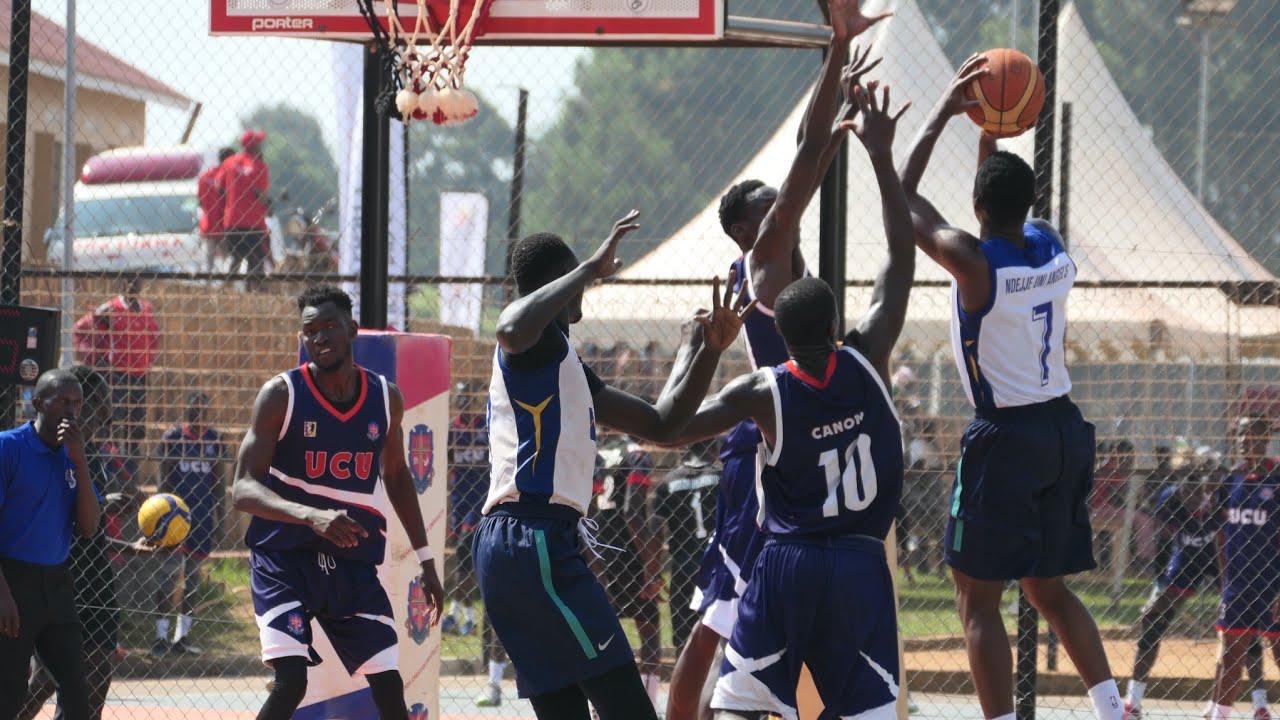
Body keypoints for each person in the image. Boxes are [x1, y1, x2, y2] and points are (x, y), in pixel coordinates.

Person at [661, 82, 914, 719]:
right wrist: (837, 75)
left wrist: (837, 123)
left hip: (790, 446)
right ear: (747, 230)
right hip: (772, 450)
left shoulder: (786, 270)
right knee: (720, 616)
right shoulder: (766, 265)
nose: (785, 206)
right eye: (771, 206)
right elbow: (808, 168)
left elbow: (806, 163)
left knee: (736, 630)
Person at [900, 53, 1122, 720]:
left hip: (1007, 437)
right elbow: (999, 210)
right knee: (1047, 589)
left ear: (977, 209)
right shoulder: (1051, 245)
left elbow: (902, 197)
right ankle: (1113, 709)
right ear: (1027, 205)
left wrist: (945, 112)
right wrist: (989, 133)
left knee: (975, 597)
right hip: (1064, 430)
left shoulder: (972, 265)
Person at [474, 209, 752, 720]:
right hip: (532, 537)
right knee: (628, 708)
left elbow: (664, 425)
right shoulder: (529, 345)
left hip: (527, 542)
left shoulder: (562, 364)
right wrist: (588, 269)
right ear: (562, 281)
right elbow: (511, 327)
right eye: (576, 278)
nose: (586, 287)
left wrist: (703, 349)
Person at [231, 285, 446, 720]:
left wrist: (426, 560)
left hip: (350, 560)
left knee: (389, 687)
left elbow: (398, 476)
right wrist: (310, 515)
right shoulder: (281, 395)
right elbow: (243, 488)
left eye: (329, 327)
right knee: (291, 682)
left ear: (352, 329)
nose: (320, 338)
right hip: (284, 555)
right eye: (310, 331)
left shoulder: (385, 398)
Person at [17, 365, 159, 720]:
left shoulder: (89, 452)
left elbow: (90, 530)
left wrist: (128, 547)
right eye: (99, 405)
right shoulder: (44, 450)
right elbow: (57, 518)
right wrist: (105, 504)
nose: (106, 415)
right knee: (46, 681)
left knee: (92, 680)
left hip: (97, 582)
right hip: (61, 578)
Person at [1124, 468, 1268, 720]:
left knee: (1245, 627)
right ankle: (1132, 702)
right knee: (1153, 617)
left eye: (1199, 494)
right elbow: (1162, 542)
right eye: (1187, 494)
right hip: (1186, 560)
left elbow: (1238, 535)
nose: (1193, 500)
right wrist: (1159, 586)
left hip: (1221, 558)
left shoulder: (1222, 498)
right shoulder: (1170, 500)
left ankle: (1260, 705)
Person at [0, 369, 101, 720]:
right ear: (39, 403)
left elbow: (88, 527)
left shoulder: (73, 455)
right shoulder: (9, 447)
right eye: (63, 402)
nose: (72, 411)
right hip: (12, 582)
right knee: (8, 692)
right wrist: (2, 594)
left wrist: (80, 461)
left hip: (57, 585)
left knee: (76, 694)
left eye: (78, 403)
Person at [1207, 416, 1279, 720]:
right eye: (1239, 434)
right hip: (1238, 586)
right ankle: (1218, 715)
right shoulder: (1231, 480)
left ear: (1266, 438)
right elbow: (1221, 536)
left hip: (1272, 584)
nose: (1242, 439)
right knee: (1230, 656)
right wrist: (1225, 583)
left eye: (1250, 433)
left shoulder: (1276, 479)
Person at [592, 432, 664, 704]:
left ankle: (600, 705)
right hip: (629, 554)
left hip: (599, 551)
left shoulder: (598, 453)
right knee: (649, 634)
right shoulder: (638, 455)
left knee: (601, 637)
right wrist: (650, 566)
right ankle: (648, 705)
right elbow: (632, 512)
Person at [153, 391, 226, 657]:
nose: (198, 414)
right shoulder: (173, 438)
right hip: (175, 518)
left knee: (192, 581)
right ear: (186, 410)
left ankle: (181, 638)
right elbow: (163, 481)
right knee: (168, 577)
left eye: (203, 410)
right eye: (194, 409)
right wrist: (161, 517)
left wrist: (221, 520)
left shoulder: (215, 440)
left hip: (203, 517)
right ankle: (160, 637)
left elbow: (219, 484)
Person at [72, 277, 161, 460]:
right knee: (115, 419)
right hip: (117, 374)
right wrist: (94, 356)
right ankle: (111, 461)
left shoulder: (146, 308)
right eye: (130, 281)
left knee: (136, 424)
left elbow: (154, 337)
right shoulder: (110, 308)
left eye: (137, 281)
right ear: (122, 284)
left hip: (139, 375)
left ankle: (132, 463)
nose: (134, 285)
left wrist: (148, 363)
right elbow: (79, 329)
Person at [655, 438, 720, 648]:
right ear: (714, 448)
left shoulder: (668, 481)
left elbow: (656, 529)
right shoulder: (721, 477)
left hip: (683, 566)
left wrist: (653, 569)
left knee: (684, 638)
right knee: (719, 632)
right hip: (716, 565)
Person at [222, 129, 272, 292]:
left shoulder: (229, 163)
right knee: (255, 262)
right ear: (255, 146)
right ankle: (251, 294)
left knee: (235, 259)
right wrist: (270, 206)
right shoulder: (260, 166)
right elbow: (261, 194)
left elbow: (220, 188)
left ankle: (226, 291)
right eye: (259, 143)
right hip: (253, 222)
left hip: (232, 221)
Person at [198, 147, 236, 271]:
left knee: (208, 262)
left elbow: (200, 201)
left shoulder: (204, 176)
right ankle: (228, 281)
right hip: (225, 224)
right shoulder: (229, 176)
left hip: (208, 224)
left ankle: (206, 281)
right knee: (230, 259)